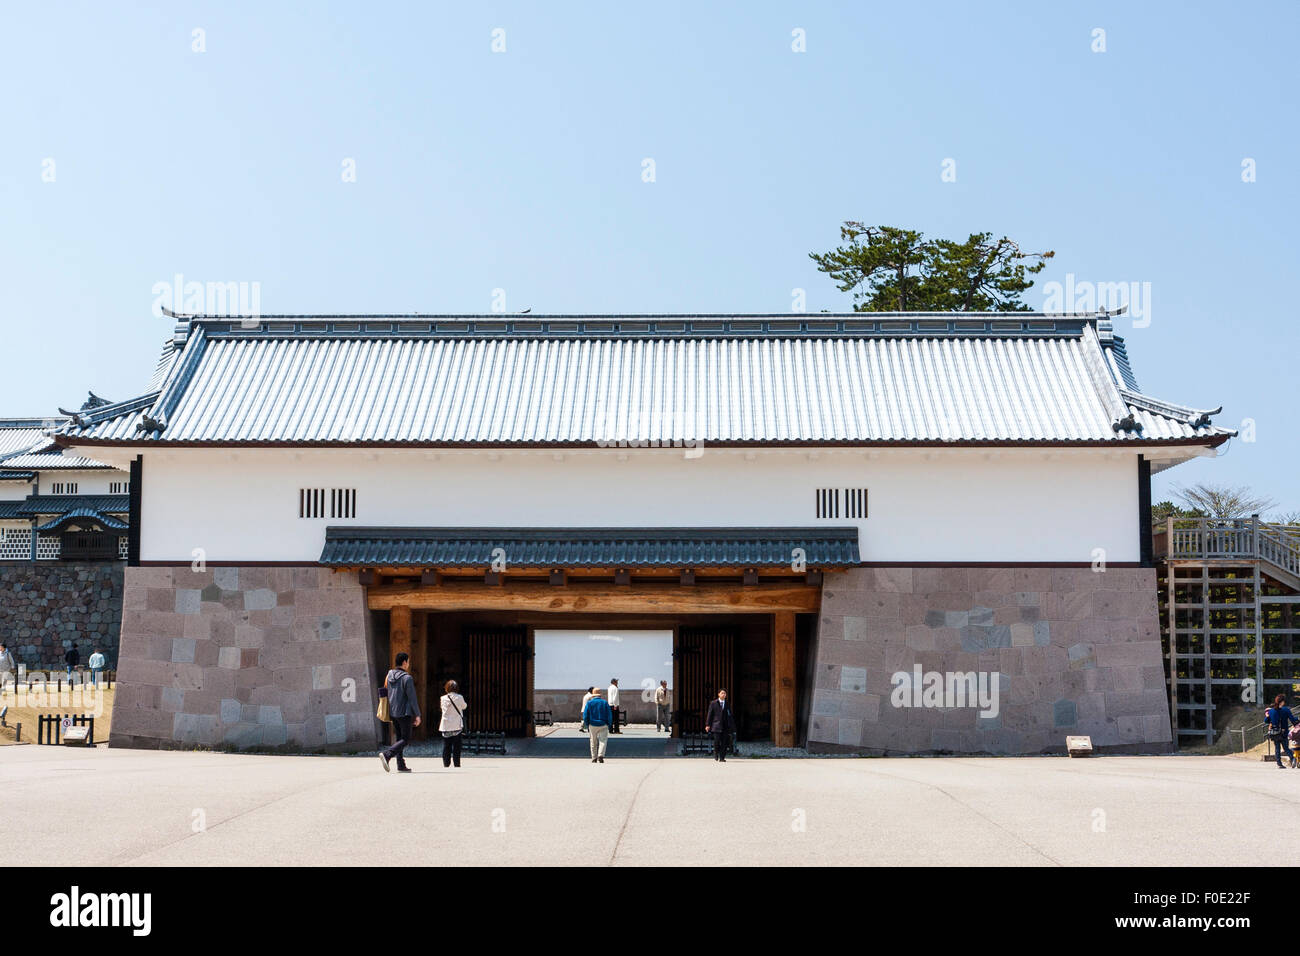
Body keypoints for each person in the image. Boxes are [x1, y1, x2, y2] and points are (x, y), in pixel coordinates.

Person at [379, 652, 421, 773]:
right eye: (408, 662)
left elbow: (384, 690)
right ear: (404, 662)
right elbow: (412, 698)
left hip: (393, 712)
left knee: (399, 739)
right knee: (406, 739)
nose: (408, 664)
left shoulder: (389, 675)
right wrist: (417, 715)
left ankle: (400, 764)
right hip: (404, 713)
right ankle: (387, 754)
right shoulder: (407, 678)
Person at [439, 679, 468, 769]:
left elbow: (442, 708)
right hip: (456, 725)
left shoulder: (443, 698)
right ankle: (457, 764)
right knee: (457, 746)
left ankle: (446, 764)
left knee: (446, 746)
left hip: (446, 725)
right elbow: (464, 706)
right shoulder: (459, 697)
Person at [1265, 694, 1298, 769]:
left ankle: (1279, 764)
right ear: (1282, 702)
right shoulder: (1286, 710)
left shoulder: (1271, 710)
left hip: (1274, 733)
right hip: (1283, 732)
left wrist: (1267, 716)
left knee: (1277, 748)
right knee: (1286, 748)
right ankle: (1293, 759)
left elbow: (1266, 721)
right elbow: (1292, 720)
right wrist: (1297, 720)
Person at [705, 688, 736, 762]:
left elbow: (730, 715)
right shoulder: (713, 703)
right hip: (716, 725)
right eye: (722, 693)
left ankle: (722, 757)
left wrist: (732, 726)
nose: (723, 694)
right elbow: (710, 714)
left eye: (725, 693)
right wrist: (707, 725)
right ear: (718, 694)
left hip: (725, 726)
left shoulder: (727, 703)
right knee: (716, 741)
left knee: (724, 742)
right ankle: (715, 753)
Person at [582, 688, 612, 763]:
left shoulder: (589, 703)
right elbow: (609, 715)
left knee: (593, 741)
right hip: (603, 724)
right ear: (600, 695)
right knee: (603, 740)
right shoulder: (604, 703)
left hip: (592, 724)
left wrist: (587, 723)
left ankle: (594, 757)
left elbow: (585, 715)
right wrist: (609, 724)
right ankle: (600, 755)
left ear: (593, 695)